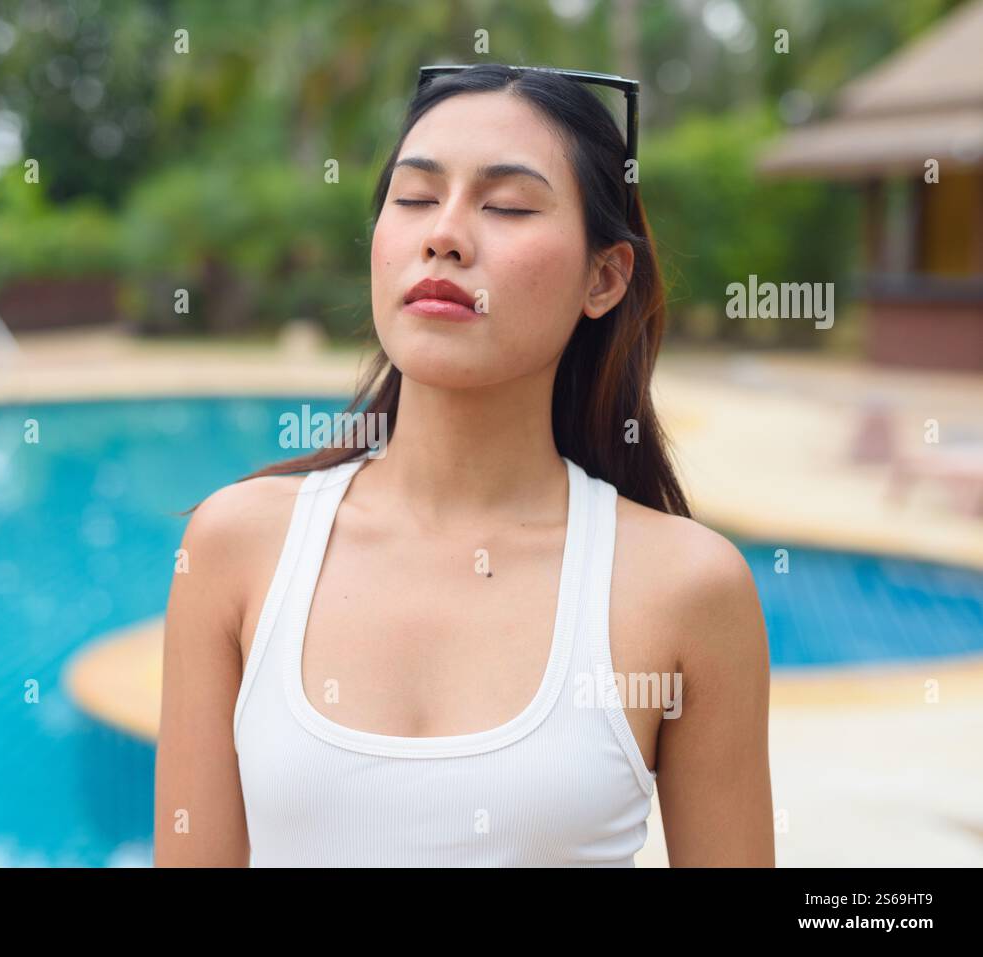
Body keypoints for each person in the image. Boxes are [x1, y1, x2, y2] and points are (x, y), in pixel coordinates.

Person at [154, 63, 774, 867]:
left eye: (507, 205)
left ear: (604, 277)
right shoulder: (236, 547)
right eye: (414, 197)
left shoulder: (686, 587)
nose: (443, 235)